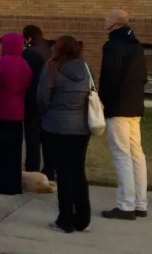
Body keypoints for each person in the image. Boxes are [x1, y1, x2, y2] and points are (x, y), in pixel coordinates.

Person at [38, 35, 92, 234]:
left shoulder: (52, 67)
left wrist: (44, 114)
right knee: (78, 171)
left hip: (57, 125)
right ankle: (82, 218)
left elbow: (42, 97)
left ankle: (66, 219)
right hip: (81, 127)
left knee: (63, 173)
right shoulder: (85, 68)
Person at [99, 9, 148, 221]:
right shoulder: (136, 46)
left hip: (118, 107)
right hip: (135, 105)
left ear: (114, 24)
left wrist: (104, 101)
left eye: (107, 19)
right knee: (136, 153)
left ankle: (126, 204)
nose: (104, 21)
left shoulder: (113, 46)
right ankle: (140, 202)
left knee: (121, 154)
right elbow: (143, 76)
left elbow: (110, 77)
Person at [0, 32, 32, 195]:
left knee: (1, 151)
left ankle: (4, 183)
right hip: (18, 112)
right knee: (15, 152)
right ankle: (15, 184)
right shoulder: (25, 65)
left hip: (1, 111)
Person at [21, 24, 54, 182]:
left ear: (28, 38)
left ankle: (32, 170)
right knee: (47, 138)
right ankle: (49, 170)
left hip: (32, 99)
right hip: (49, 99)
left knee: (32, 138)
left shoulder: (28, 54)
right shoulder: (50, 50)